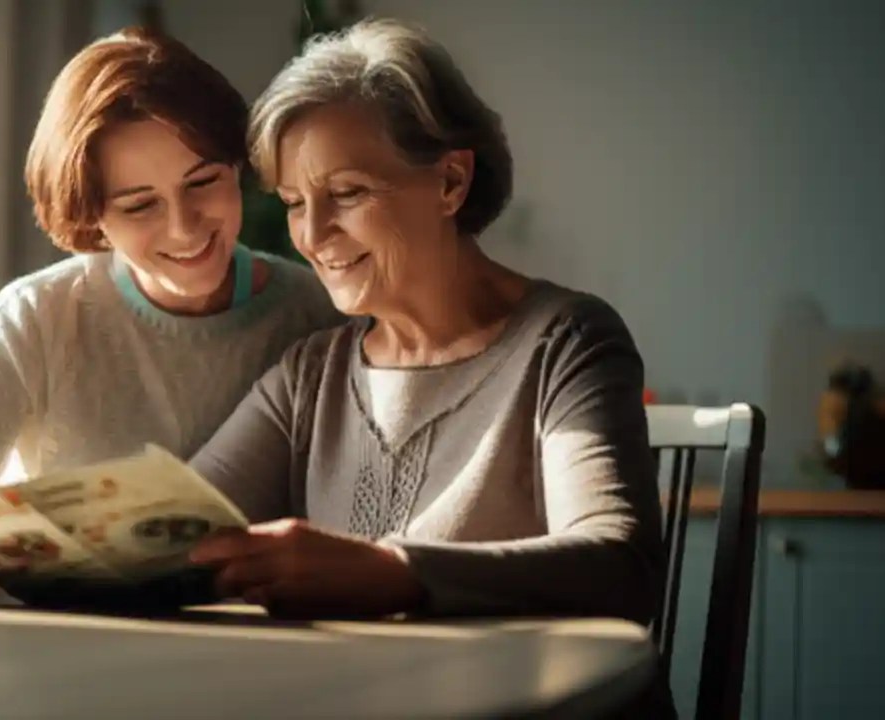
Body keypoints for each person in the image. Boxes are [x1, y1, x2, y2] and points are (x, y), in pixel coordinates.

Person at [188, 18, 666, 626]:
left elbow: (622, 566)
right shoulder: (310, 375)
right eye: (293, 203)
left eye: (349, 192)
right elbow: (172, 531)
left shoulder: (566, 343)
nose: (311, 235)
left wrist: (393, 573)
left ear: (450, 181)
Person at [0, 27, 340, 604]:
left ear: (237, 167)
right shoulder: (39, 317)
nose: (184, 227)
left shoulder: (318, 311)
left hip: (269, 654)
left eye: (204, 182)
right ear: (93, 218)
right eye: (140, 205)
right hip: (67, 650)